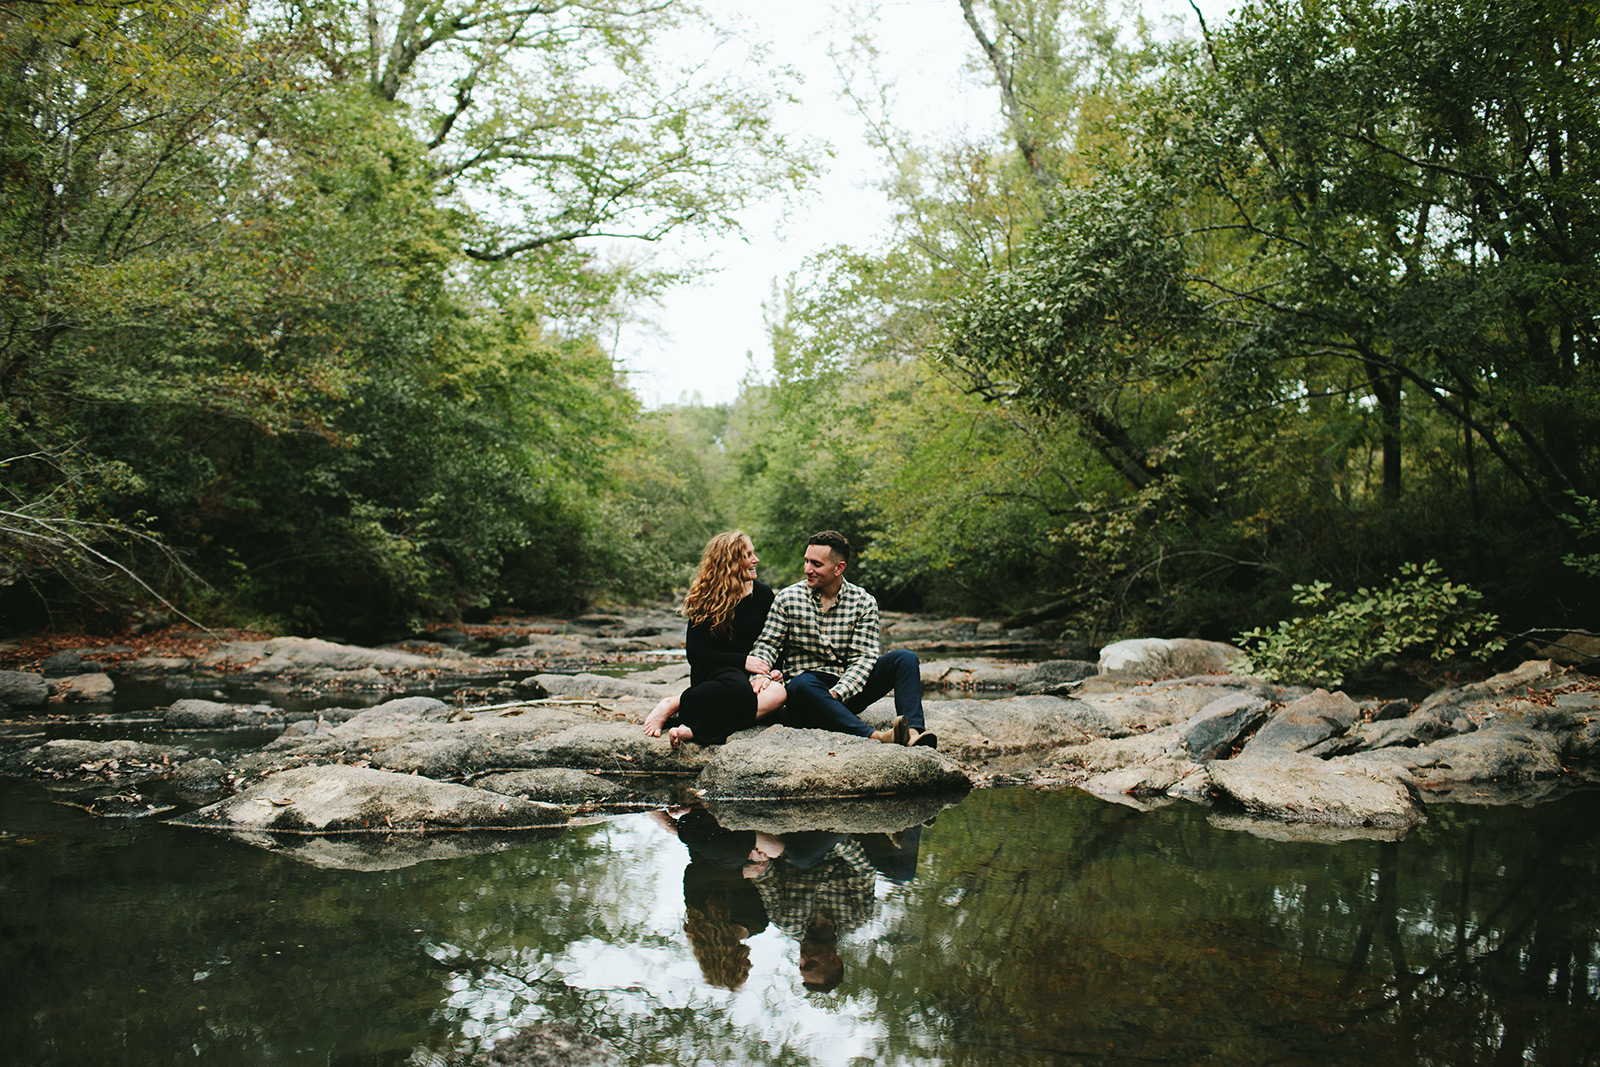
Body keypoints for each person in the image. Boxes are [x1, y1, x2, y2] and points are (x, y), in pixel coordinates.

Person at [748, 530, 935, 747]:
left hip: (848, 688)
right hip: (807, 691)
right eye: (806, 561)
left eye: (816, 564)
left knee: (905, 658)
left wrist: (838, 693)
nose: (807, 569)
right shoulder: (788, 598)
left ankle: (912, 733)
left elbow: (864, 658)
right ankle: (875, 736)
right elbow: (767, 645)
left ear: (839, 568)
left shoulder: (863, 602)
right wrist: (759, 678)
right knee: (801, 684)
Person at [643, 531, 786, 747]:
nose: (756, 560)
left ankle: (692, 726)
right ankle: (675, 703)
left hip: (751, 674)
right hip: (715, 676)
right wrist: (743, 661)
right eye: (748, 555)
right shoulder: (706, 599)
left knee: (778, 694)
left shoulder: (764, 594)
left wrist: (773, 670)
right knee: (738, 690)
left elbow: (775, 638)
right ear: (731, 563)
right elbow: (696, 654)